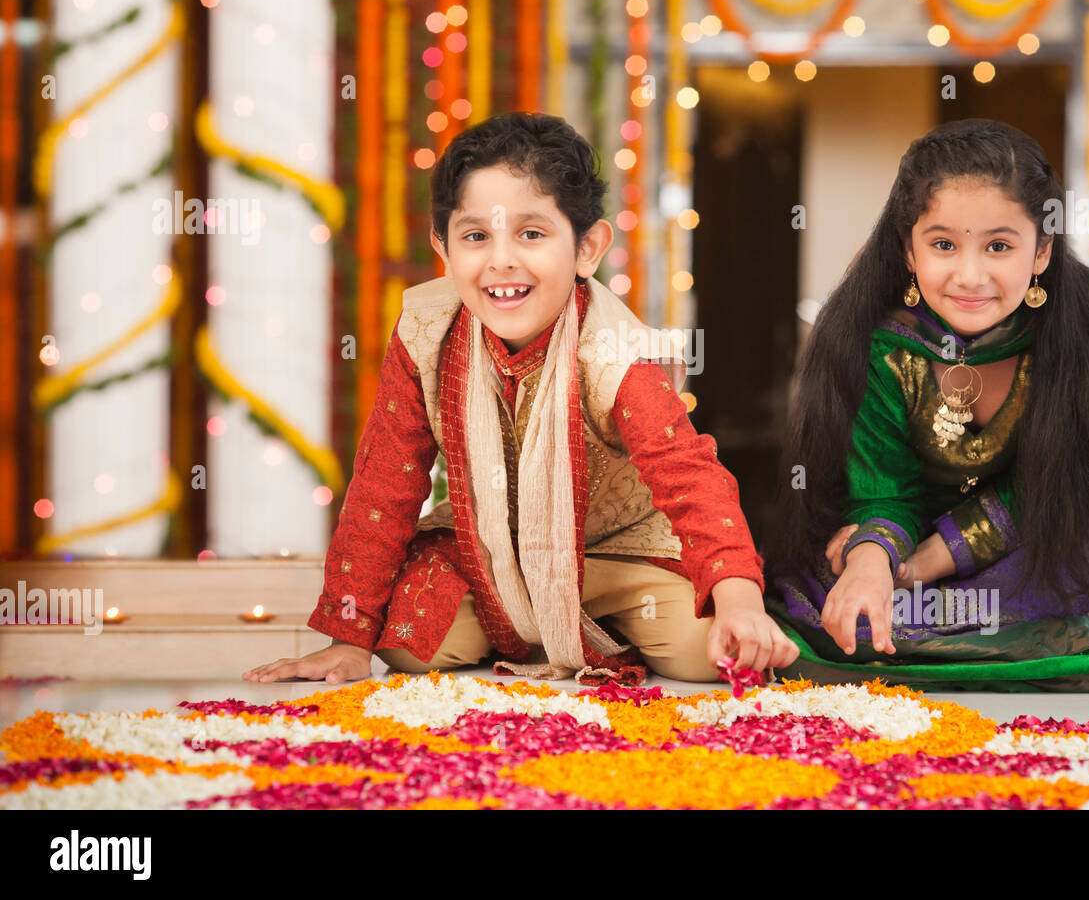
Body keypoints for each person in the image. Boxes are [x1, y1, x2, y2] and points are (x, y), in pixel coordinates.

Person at [245, 112, 799, 687]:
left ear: (588, 248)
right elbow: (387, 479)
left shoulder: (615, 350)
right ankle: (556, 624)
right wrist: (349, 638)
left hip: (617, 554)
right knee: (407, 644)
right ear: (443, 245)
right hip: (488, 549)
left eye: (531, 234)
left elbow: (688, 476)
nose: (501, 260)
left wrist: (738, 601)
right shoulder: (426, 332)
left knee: (704, 654)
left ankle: (577, 621)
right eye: (476, 236)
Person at [763, 118, 1089, 691]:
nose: (970, 275)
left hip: (1038, 542)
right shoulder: (875, 342)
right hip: (897, 539)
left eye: (999, 245)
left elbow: (1056, 490)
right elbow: (883, 493)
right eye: (943, 244)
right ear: (908, 250)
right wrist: (872, 562)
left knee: (1087, 605)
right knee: (833, 617)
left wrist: (917, 568)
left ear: (1042, 250)